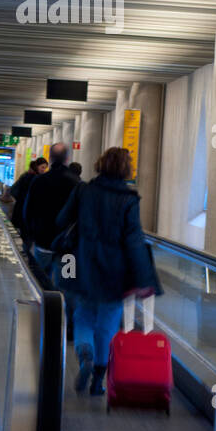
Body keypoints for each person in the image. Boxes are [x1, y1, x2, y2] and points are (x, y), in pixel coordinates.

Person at [55, 146, 159, 396]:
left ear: (101, 164)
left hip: (83, 264)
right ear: (126, 170)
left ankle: (84, 355)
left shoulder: (84, 190)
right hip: (115, 271)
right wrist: (144, 279)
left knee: (83, 316)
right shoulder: (129, 200)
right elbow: (134, 241)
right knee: (108, 324)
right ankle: (98, 380)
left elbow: (61, 220)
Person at [21, 142, 81, 284]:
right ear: (67, 159)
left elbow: (27, 210)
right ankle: (64, 305)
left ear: (51, 158)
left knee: (40, 282)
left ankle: (44, 305)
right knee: (68, 284)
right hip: (68, 248)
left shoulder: (38, 181)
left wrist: (32, 234)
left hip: (43, 243)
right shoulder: (77, 183)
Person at [7, 157, 47, 246]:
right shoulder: (35, 178)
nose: (44, 170)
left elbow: (13, 190)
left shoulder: (26, 175)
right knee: (27, 235)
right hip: (28, 211)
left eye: (45, 168)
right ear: (37, 166)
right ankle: (25, 254)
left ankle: (23, 252)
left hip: (22, 209)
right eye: (42, 167)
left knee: (24, 233)